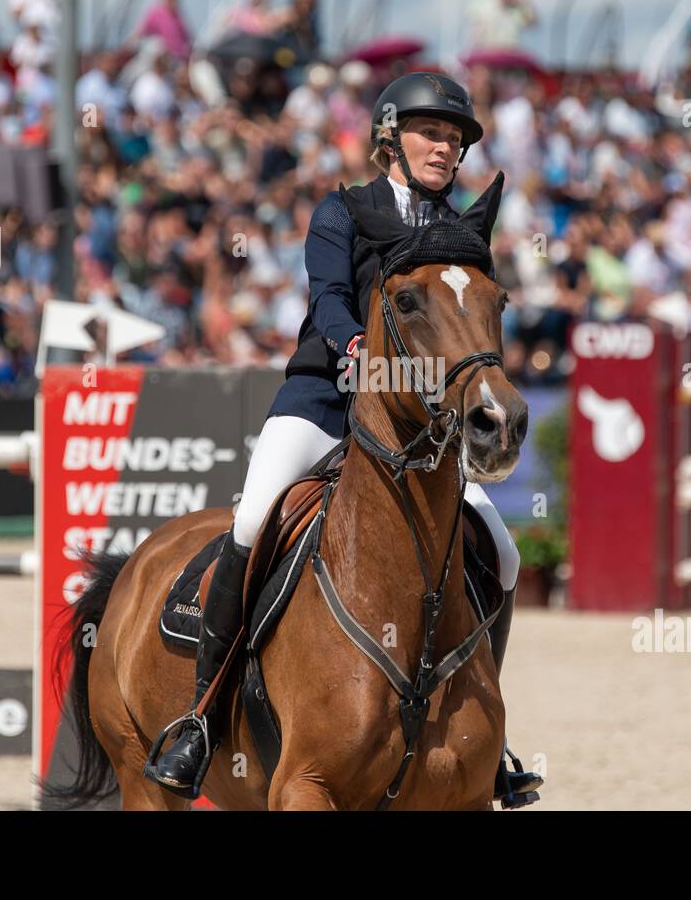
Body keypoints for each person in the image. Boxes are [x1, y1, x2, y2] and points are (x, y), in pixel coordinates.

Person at [147, 71, 544, 806]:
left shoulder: (453, 230)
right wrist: (356, 345)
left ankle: (486, 733)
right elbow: (328, 298)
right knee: (251, 518)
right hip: (323, 402)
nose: (446, 148)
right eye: (433, 133)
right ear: (390, 136)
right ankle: (201, 719)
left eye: (456, 139)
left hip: (417, 427)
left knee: (506, 552)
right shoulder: (343, 211)